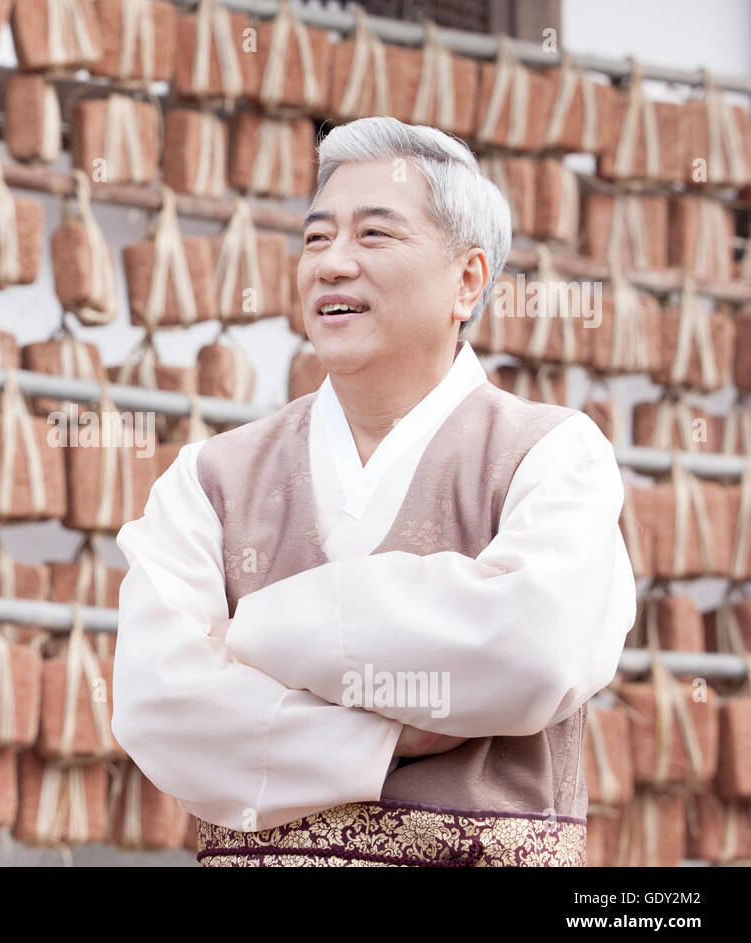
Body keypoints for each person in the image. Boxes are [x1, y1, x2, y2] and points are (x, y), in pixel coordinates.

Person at [110, 116, 637, 867]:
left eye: (374, 236)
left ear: (468, 280)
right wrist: (389, 740)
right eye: (317, 238)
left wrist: (256, 636)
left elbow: (534, 647)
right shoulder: (212, 477)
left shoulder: (550, 453)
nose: (331, 264)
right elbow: (159, 704)